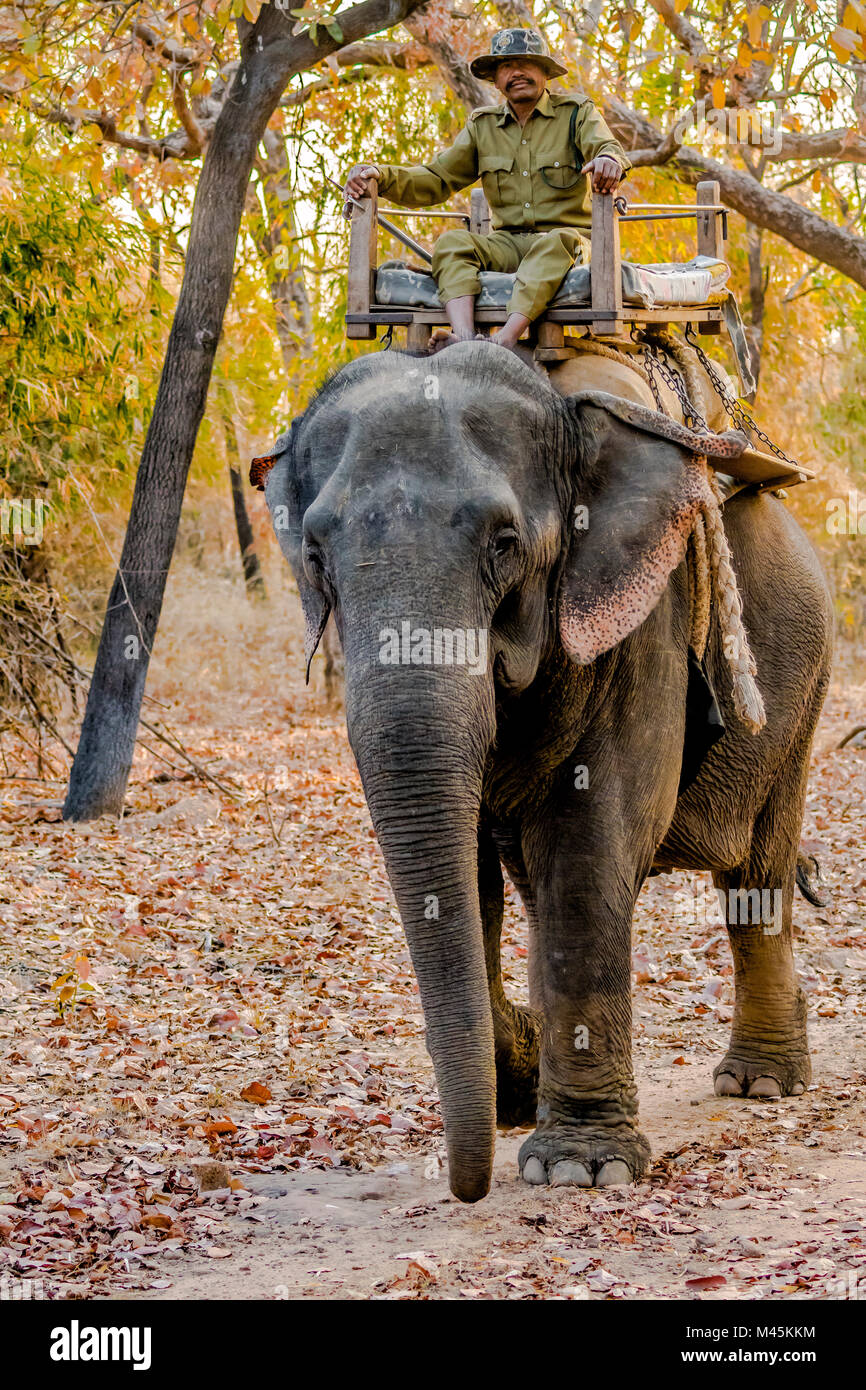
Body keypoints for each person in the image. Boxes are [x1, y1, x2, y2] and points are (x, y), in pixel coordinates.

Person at [343, 27, 630, 351]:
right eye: (506, 66)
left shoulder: (576, 112)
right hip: (507, 244)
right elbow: (436, 178)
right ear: (495, 79)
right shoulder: (482, 125)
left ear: (545, 72)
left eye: (526, 63)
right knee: (452, 243)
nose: (516, 72)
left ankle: (505, 338)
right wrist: (379, 175)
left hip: (568, 243)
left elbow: (606, 146)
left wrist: (608, 160)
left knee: (555, 241)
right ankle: (464, 338)